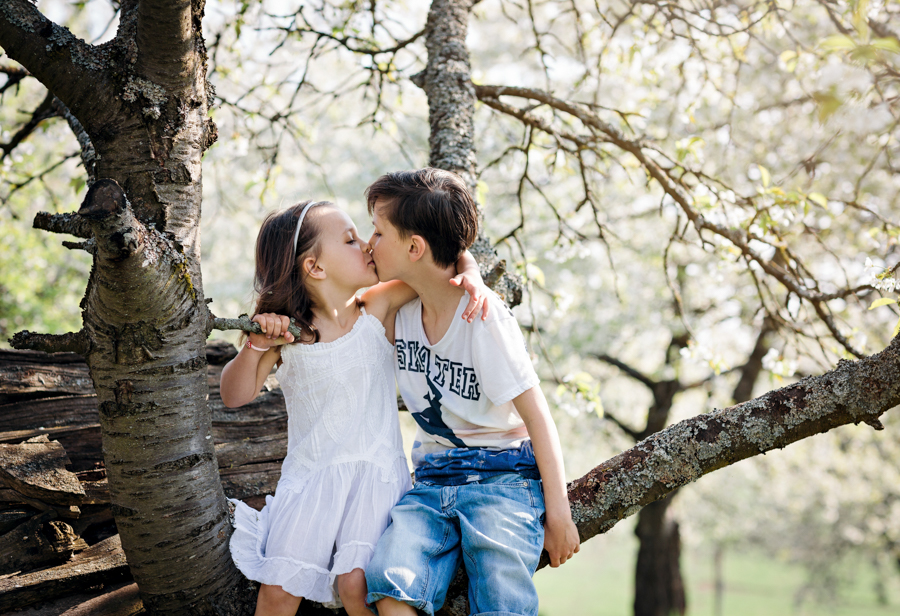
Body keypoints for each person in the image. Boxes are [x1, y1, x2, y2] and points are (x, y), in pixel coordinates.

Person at [219, 199, 490, 616]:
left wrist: (471, 271)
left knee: (355, 585)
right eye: (350, 239)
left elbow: (444, 261)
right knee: (277, 591)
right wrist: (256, 346)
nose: (366, 244)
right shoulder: (288, 334)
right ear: (315, 268)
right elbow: (234, 395)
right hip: (310, 482)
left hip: (375, 478)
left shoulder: (376, 308)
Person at [363, 168, 581, 616]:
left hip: (502, 480)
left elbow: (538, 415)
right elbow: (353, 301)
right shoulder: (400, 309)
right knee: (389, 580)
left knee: (502, 597)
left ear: (414, 247)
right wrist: (468, 265)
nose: (369, 242)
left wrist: (559, 514)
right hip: (431, 482)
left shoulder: (483, 316)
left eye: (377, 231)